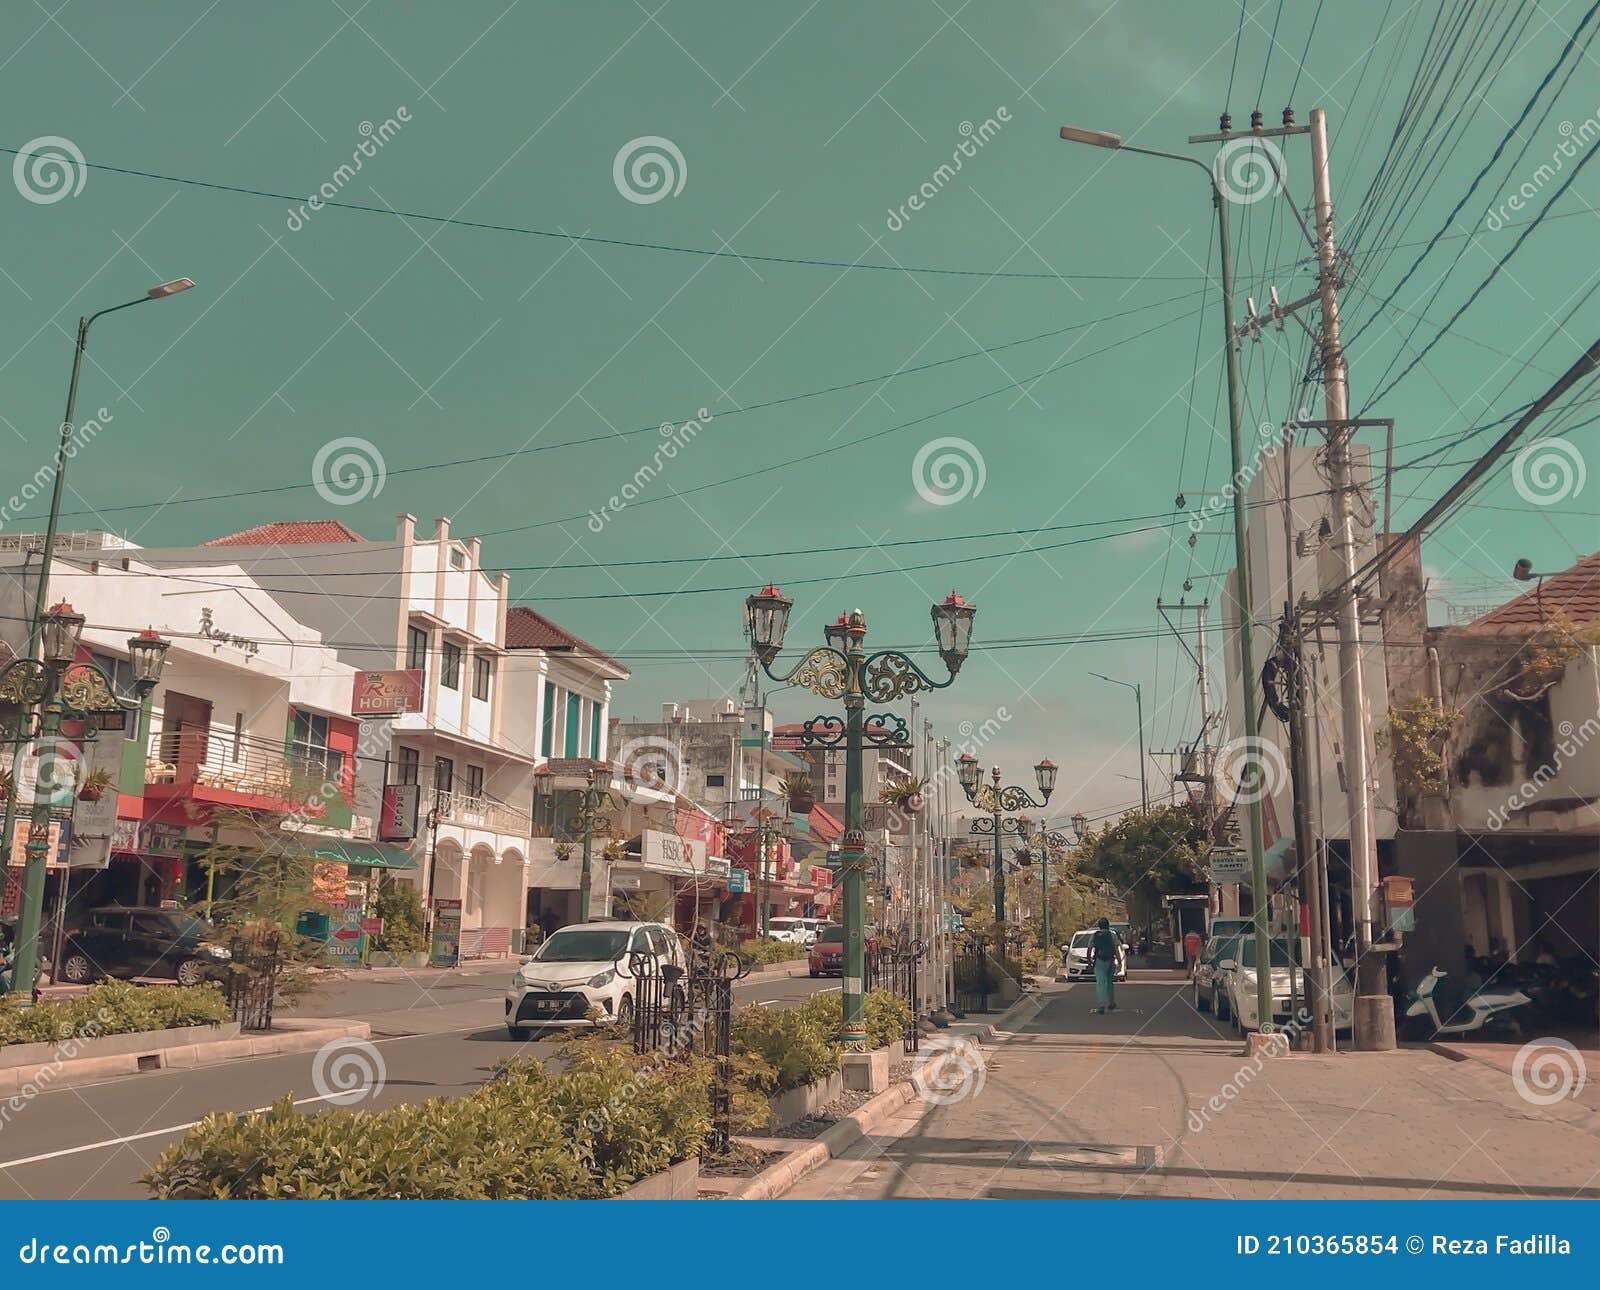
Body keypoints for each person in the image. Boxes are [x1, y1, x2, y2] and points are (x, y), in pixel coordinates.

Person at [1089, 917, 1120, 1014]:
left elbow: (1090, 948)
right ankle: (1111, 1002)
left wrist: (1090, 960)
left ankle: (1102, 1004)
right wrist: (1119, 961)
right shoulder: (1112, 935)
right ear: (1108, 925)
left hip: (1099, 960)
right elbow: (1116, 949)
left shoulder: (1095, 935)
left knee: (1100, 982)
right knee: (1109, 982)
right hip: (1110, 960)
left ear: (1099, 926)